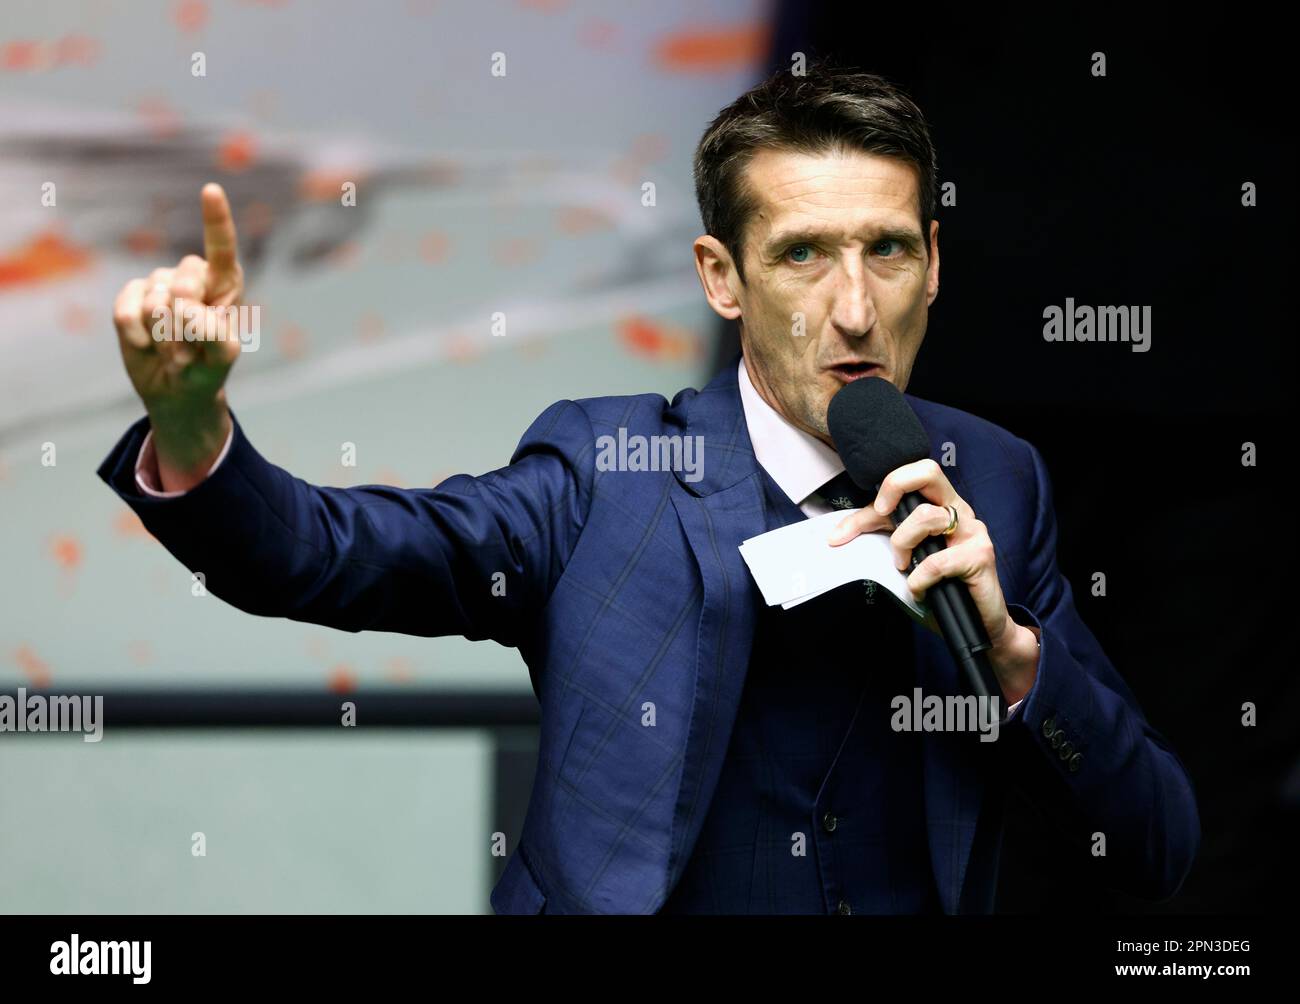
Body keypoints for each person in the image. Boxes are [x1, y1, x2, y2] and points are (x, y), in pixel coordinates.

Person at [99, 66, 1199, 914]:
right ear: (721, 276)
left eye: (888, 251)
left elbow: (1156, 840)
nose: (856, 307)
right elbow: (327, 550)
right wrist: (194, 425)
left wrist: (1016, 661)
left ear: (936, 263)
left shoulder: (995, 480)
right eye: (804, 255)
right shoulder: (604, 471)